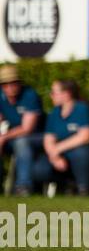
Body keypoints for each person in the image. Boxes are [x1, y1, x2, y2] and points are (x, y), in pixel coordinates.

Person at [31, 80, 89, 196]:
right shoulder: (55, 112)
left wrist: (58, 149)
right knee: (39, 170)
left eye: (54, 92)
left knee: (81, 153)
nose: (51, 95)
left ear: (67, 94)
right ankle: (65, 185)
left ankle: (84, 188)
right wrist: (54, 156)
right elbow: (48, 138)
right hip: (60, 154)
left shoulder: (82, 109)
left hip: (80, 152)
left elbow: (86, 136)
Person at [1, 65, 45, 196]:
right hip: (10, 137)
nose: (10, 86)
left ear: (19, 83)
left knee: (22, 141)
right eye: (5, 83)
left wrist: (3, 137)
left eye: (13, 82)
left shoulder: (30, 95)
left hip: (36, 136)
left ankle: (23, 186)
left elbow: (27, 128)